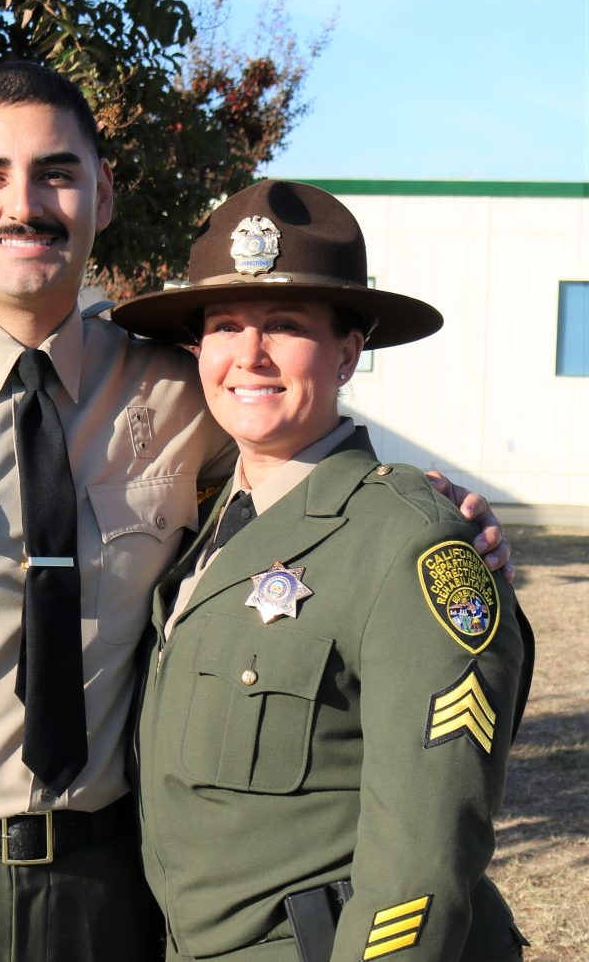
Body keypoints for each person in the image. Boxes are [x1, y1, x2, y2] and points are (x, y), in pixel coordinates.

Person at [0, 64, 511, 962]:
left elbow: (304, 473)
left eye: (59, 174)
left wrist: (435, 515)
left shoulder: (180, 389)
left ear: (102, 195)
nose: (24, 205)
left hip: (111, 898)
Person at [111, 179, 533, 961]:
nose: (248, 356)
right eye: (224, 325)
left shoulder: (412, 544)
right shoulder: (197, 526)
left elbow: (425, 859)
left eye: (284, 326)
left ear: (347, 352)